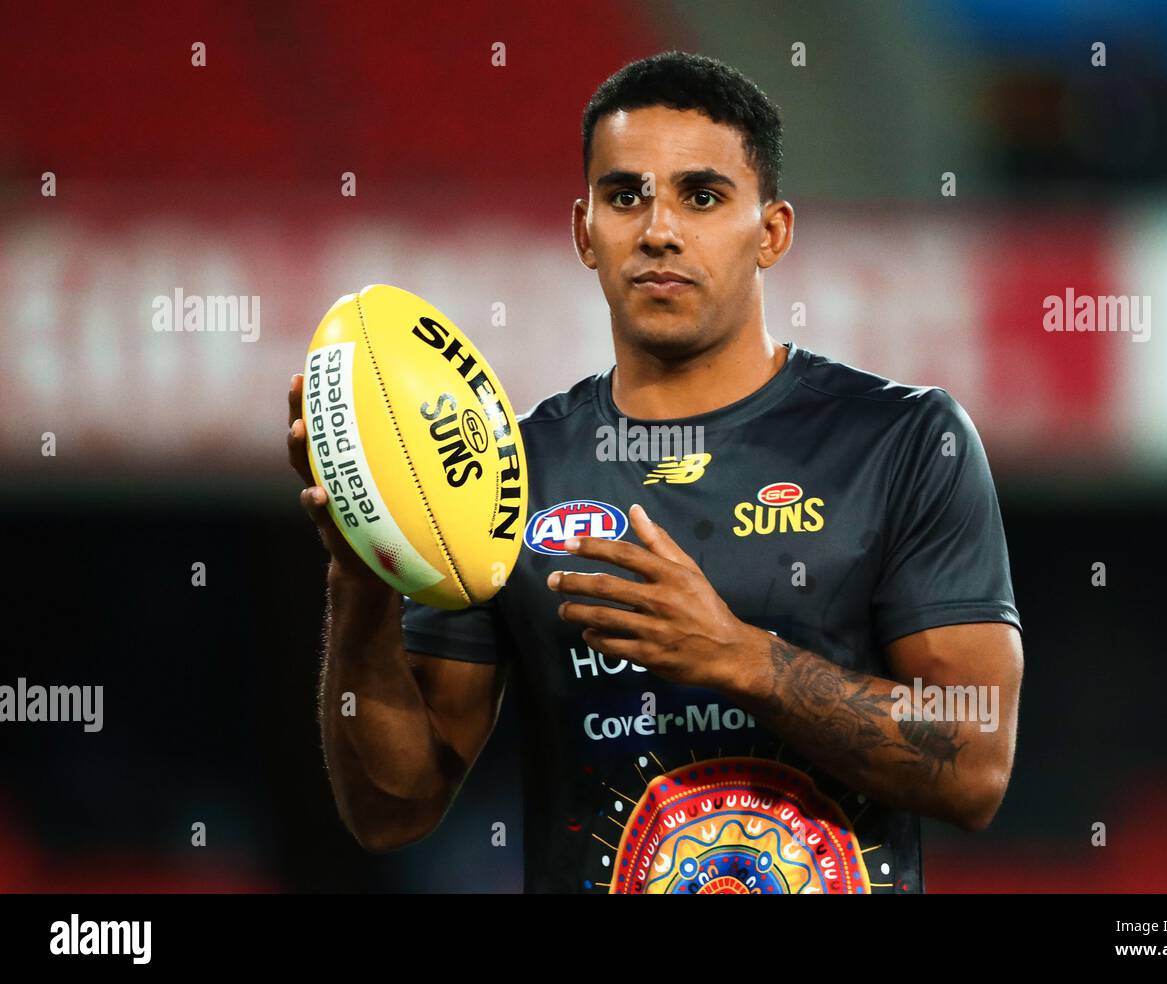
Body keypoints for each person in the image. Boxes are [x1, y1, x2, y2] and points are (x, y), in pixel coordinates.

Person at [286, 51, 1023, 894]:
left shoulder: (904, 441)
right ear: (583, 232)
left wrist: (740, 658)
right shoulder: (503, 476)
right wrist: (362, 575)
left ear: (772, 232)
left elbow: (975, 763)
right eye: (624, 195)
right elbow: (392, 812)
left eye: (701, 196)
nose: (658, 229)